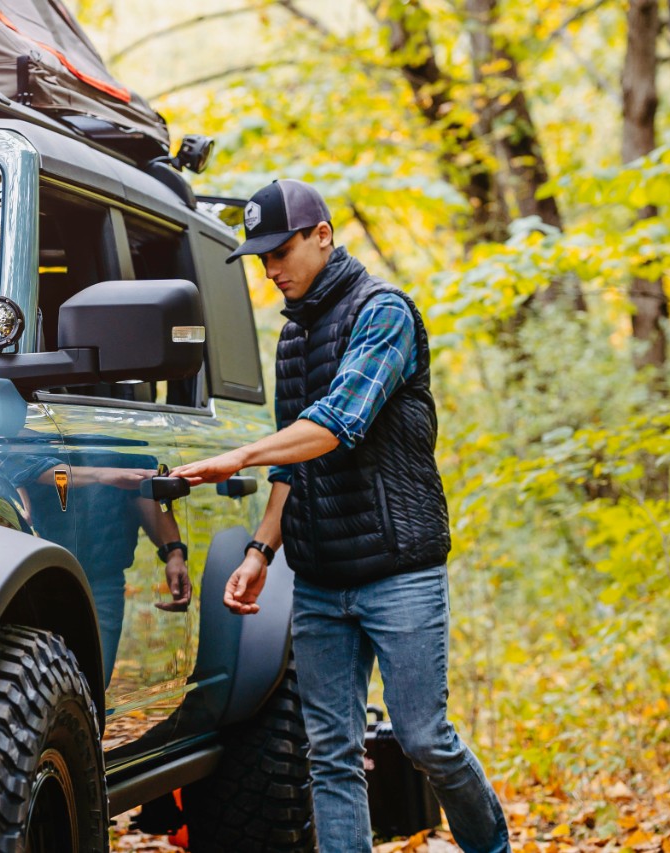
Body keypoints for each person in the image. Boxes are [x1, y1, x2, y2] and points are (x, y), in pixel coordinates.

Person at [172, 180, 510, 853]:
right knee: (330, 751)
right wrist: (261, 552)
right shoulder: (292, 340)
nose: (270, 268)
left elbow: (337, 424)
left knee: (425, 739)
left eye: (280, 250)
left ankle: (492, 845)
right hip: (321, 577)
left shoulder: (383, 313)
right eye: (259, 257)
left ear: (323, 235)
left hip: (398, 568)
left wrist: (235, 455)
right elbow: (293, 465)